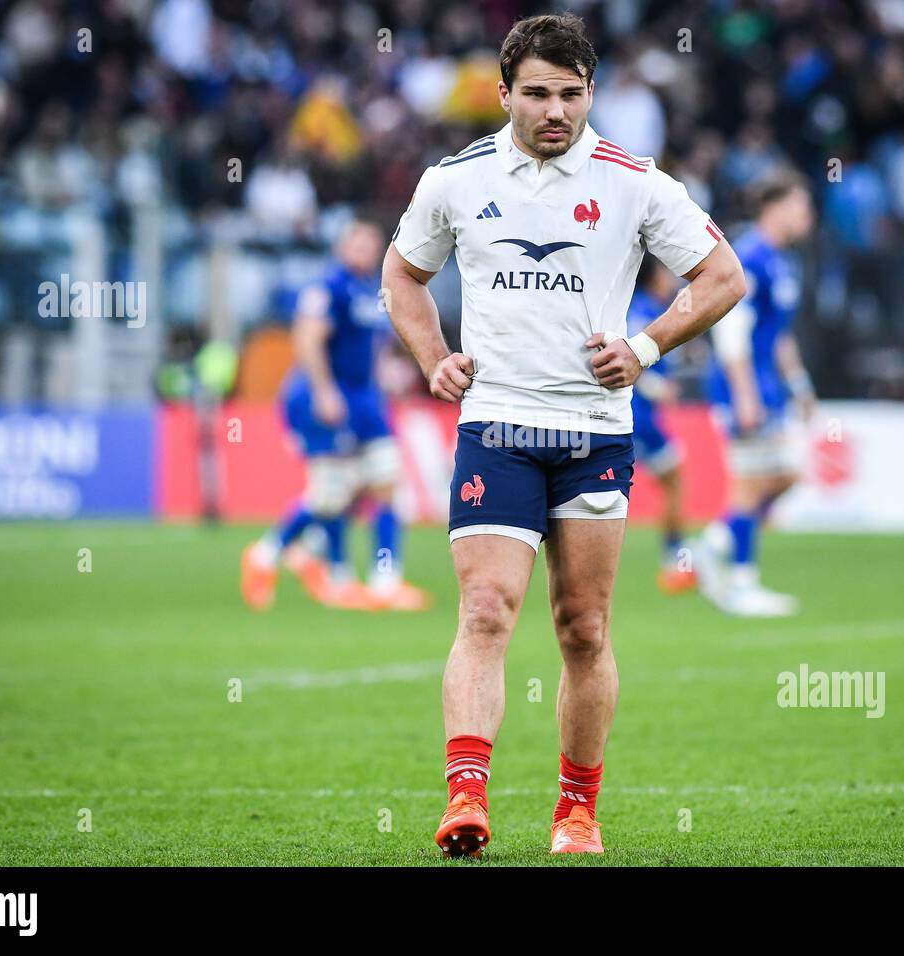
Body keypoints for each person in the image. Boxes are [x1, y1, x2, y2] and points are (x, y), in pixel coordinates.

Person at [381, 13, 745, 856]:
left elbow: (722, 276)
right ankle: (466, 799)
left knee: (583, 628)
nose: (556, 110)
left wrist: (647, 345)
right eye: (537, 93)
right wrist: (433, 354)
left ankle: (576, 812)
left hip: (594, 433)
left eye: (572, 94)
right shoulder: (456, 180)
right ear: (503, 92)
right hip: (496, 427)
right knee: (483, 611)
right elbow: (402, 272)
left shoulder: (636, 182)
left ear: (593, 94)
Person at [240, 219, 430, 612]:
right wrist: (324, 391)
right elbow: (308, 338)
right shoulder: (327, 287)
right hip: (325, 397)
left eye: (370, 246)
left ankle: (384, 580)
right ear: (342, 247)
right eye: (356, 245)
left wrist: (386, 380)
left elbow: (372, 348)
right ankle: (288, 561)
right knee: (332, 493)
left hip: (364, 401)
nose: (363, 252)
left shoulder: (373, 291)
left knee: (387, 482)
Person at [701, 169, 817, 617]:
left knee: (785, 475)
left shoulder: (781, 260)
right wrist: (744, 394)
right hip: (744, 386)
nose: (808, 217)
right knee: (751, 484)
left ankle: (713, 546)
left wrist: (800, 385)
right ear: (777, 207)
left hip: (768, 385)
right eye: (801, 207)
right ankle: (742, 582)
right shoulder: (748, 254)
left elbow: (780, 334)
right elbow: (732, 329)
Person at [627, 254, 694, 593]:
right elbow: (629, 355)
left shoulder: (650, 308)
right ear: (654, 276)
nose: (673, 279)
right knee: (674, 479)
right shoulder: (642, 310)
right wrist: (657, 387)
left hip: (640, 415)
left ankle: (677, 560)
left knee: (671, 479)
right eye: (668, 272)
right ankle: (675, 561)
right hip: (637, 415)